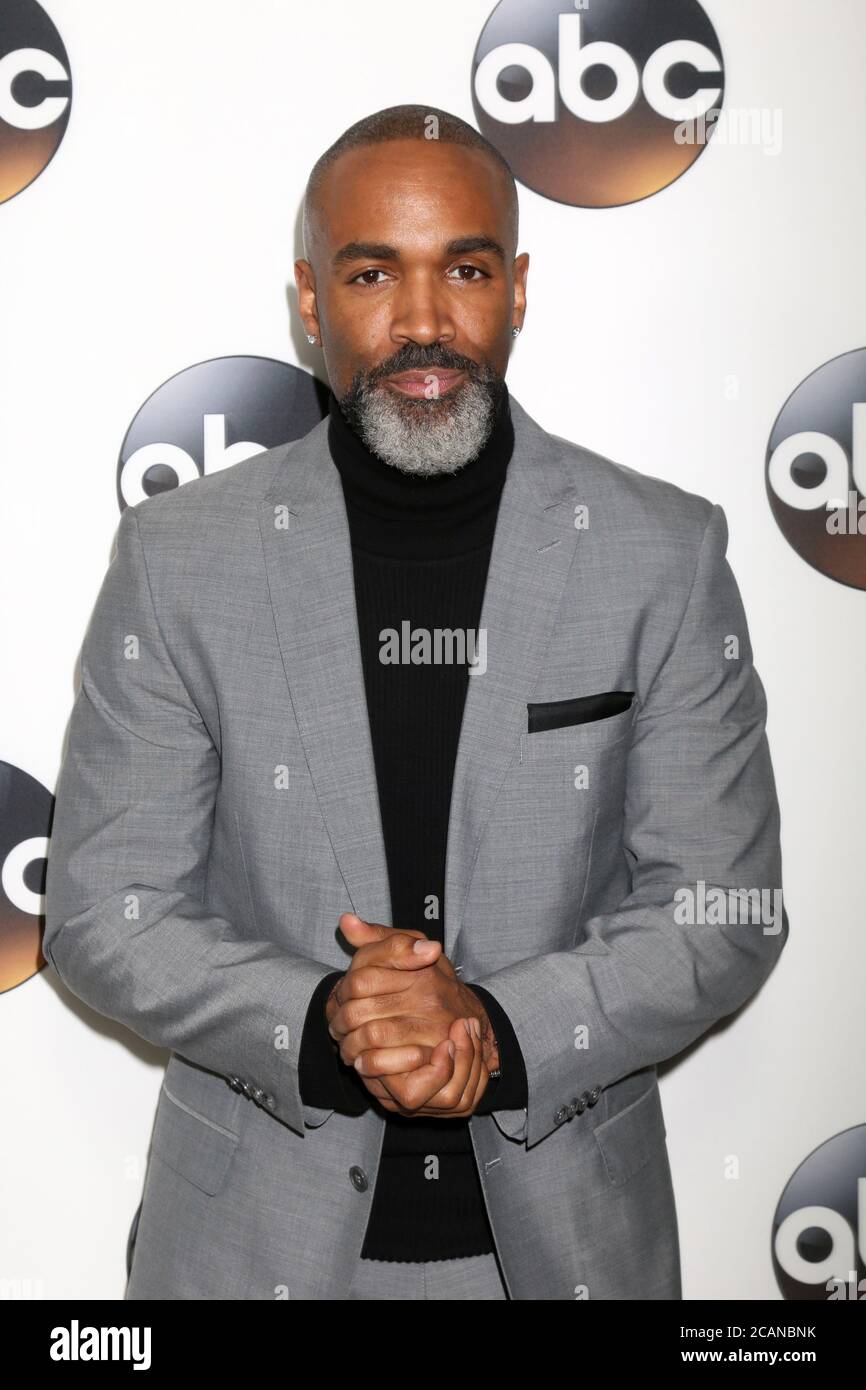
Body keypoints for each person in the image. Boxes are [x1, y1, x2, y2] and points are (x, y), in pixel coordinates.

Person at [44, 104, 788, 1301]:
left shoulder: (659, 552)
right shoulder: (180, 557)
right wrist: (329, 1017)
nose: (425, 321)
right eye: (373, 272)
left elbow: (720, 909)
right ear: (309, 299)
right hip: (246, 1258)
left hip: (558, 1260)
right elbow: (102, 908)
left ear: (519, 287)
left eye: (467, 268)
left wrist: (495, 1027)